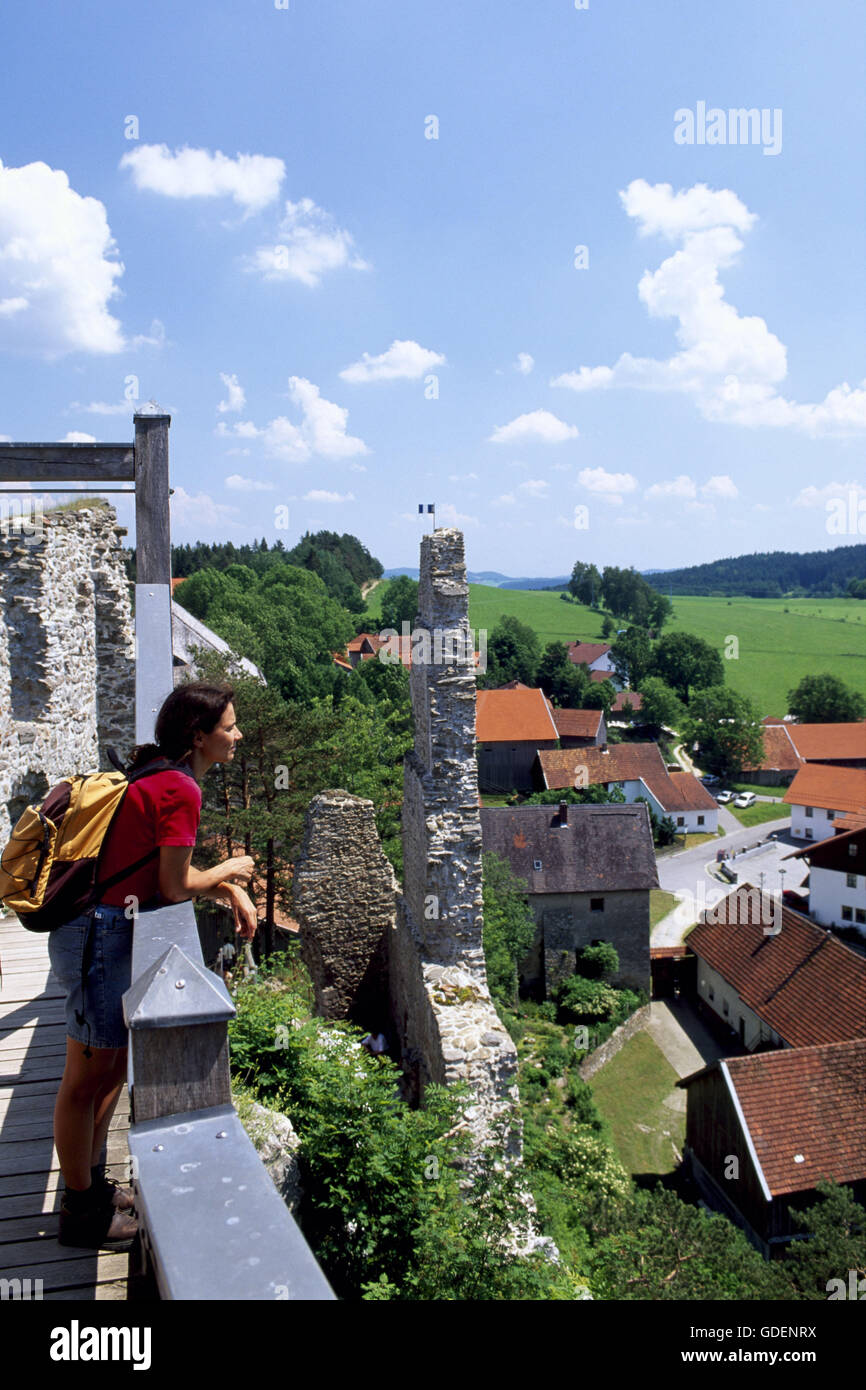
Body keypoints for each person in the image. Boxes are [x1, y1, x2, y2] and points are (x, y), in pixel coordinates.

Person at [50, 681, 258, 1249]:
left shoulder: (163, 773)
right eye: (229, 727)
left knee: (111, 1070)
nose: (237, 736)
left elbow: (161, 878)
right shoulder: (181, 789)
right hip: (96, 936)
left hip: (103, 932)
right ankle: (80, 1213)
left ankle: (90, 1182)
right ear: (199, 736)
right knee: (84, 1081)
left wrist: (223, 889)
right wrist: (228, 872)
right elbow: (172, 885)